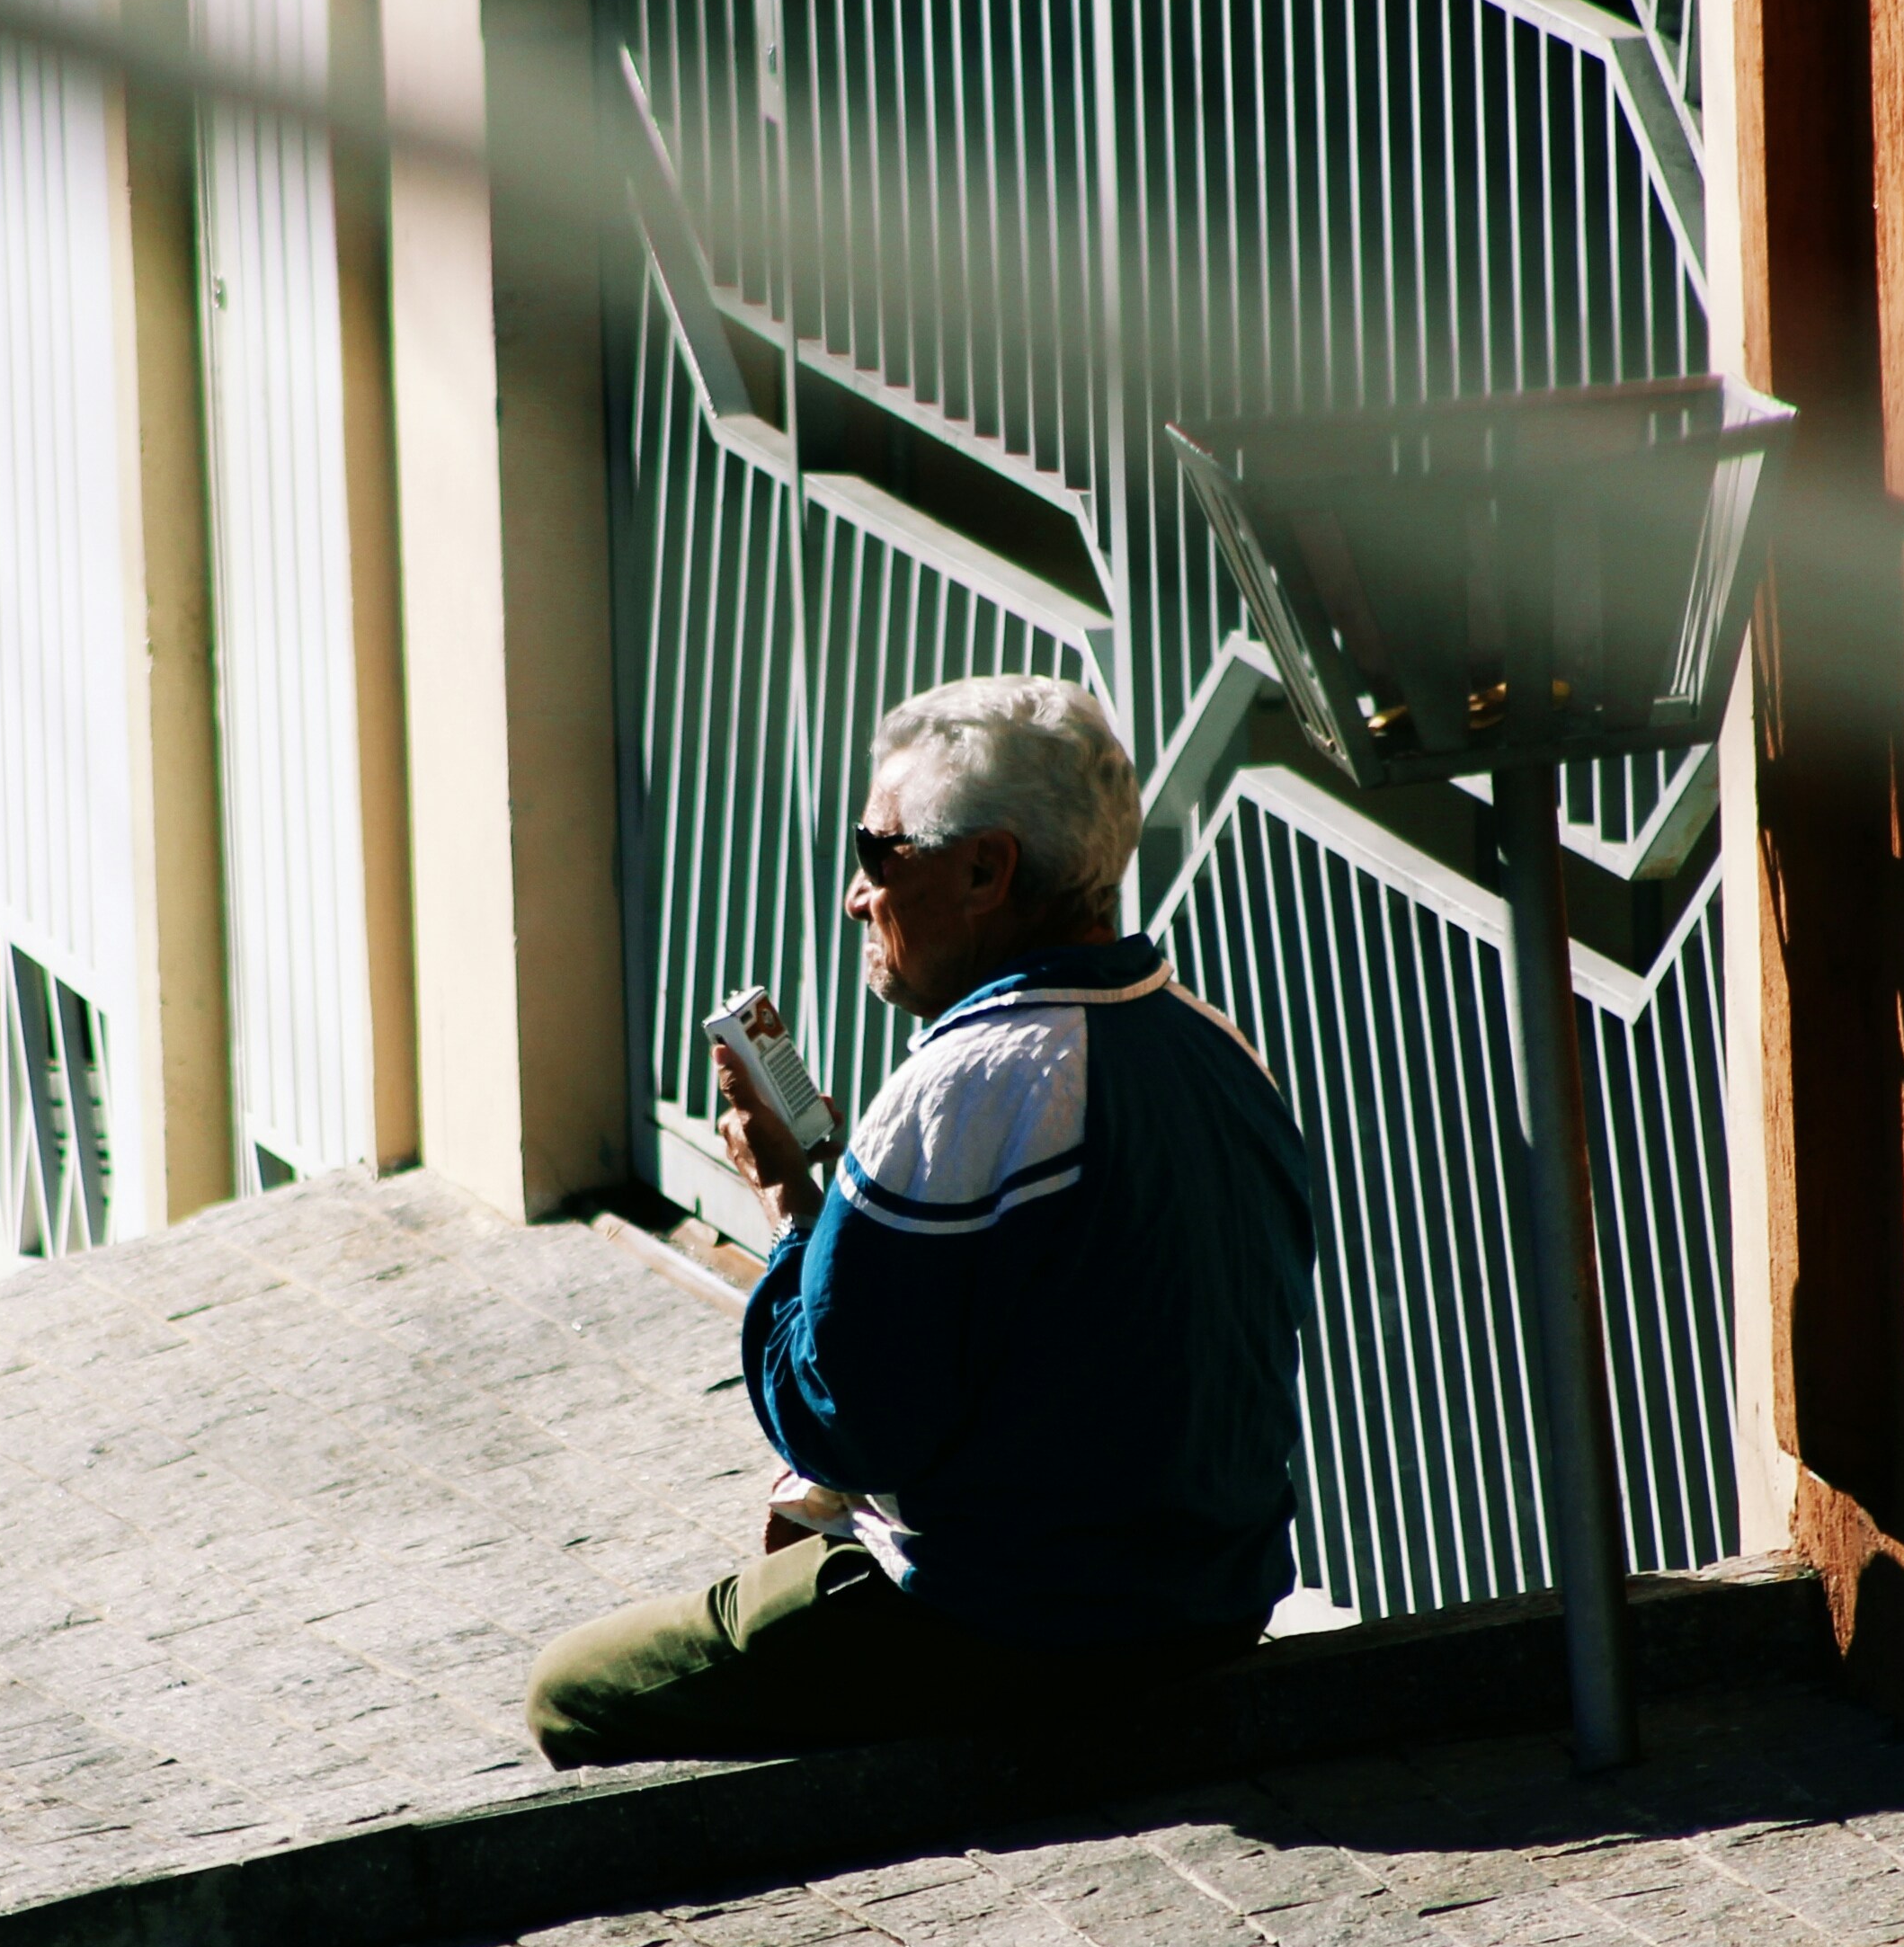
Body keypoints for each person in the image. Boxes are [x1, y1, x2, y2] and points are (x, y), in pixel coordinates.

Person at [525, 674, 1323, 1764]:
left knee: (568, 1688)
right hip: (1216, 1600)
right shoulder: (1217, 1046)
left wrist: (790, 1207)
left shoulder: (969, 1083)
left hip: (1020, 1632)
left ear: (987, 869)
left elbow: (842, 1418)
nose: (859, 896)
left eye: (879, 854)